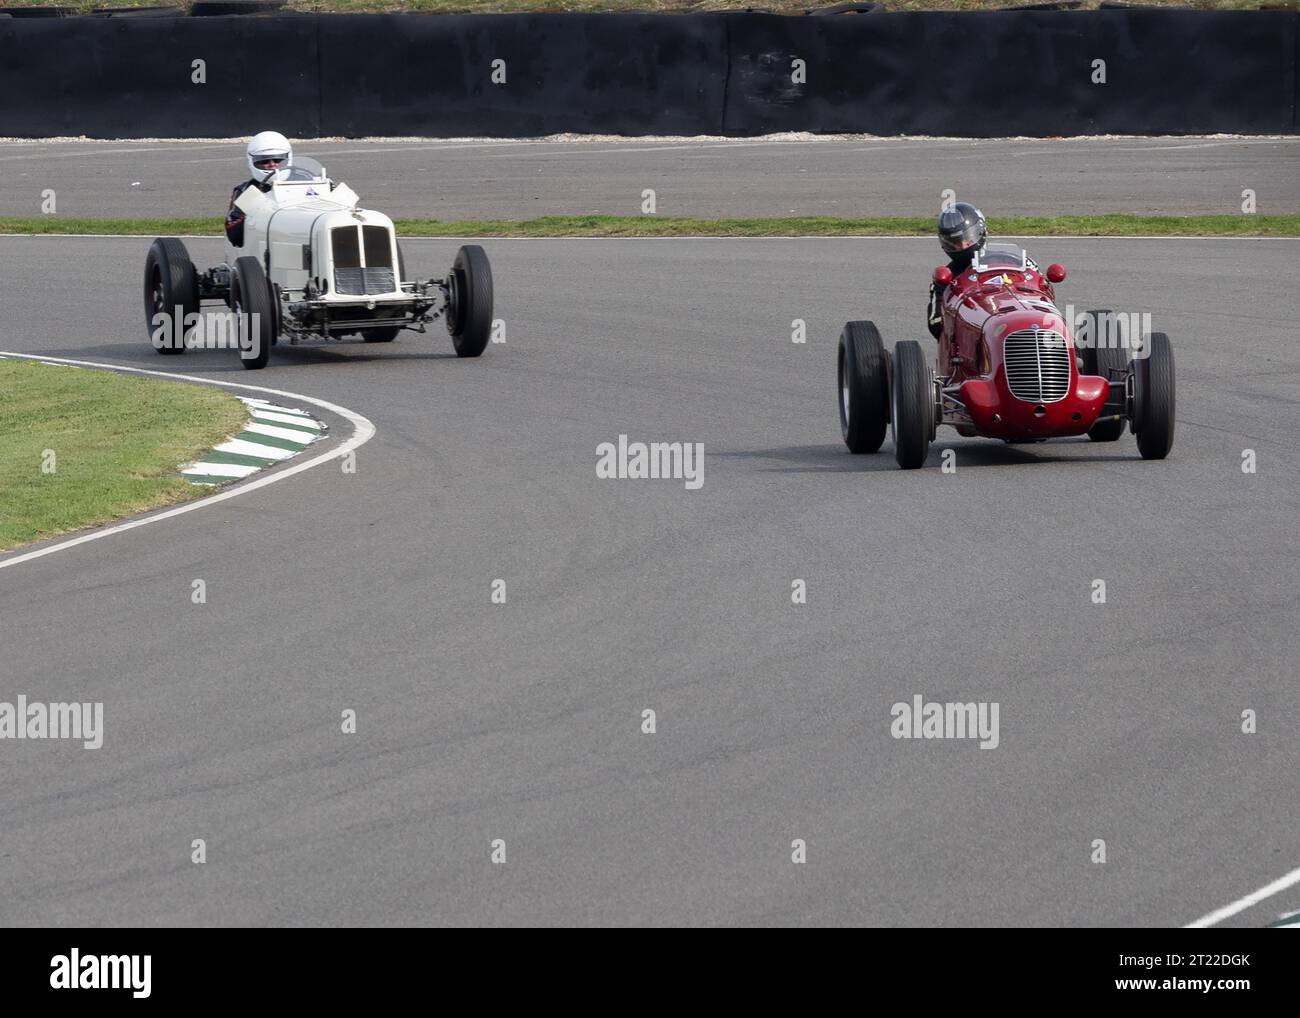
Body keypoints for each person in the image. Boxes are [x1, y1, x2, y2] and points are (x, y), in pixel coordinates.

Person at [926, 201, 987, 339]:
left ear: (979, 231)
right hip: (972, 336)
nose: (963, 246)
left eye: (967, 239)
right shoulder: (945, 276)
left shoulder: (1008, 261)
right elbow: (935, 324)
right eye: (955, 243)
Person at [224, 131, 293, 248]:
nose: (272, 165)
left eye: (277, 160)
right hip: (260, 250)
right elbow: (233, 235)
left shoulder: (303, 183)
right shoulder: (247, 191)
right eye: (264, 161)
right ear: (253, 161)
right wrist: (255, 212)